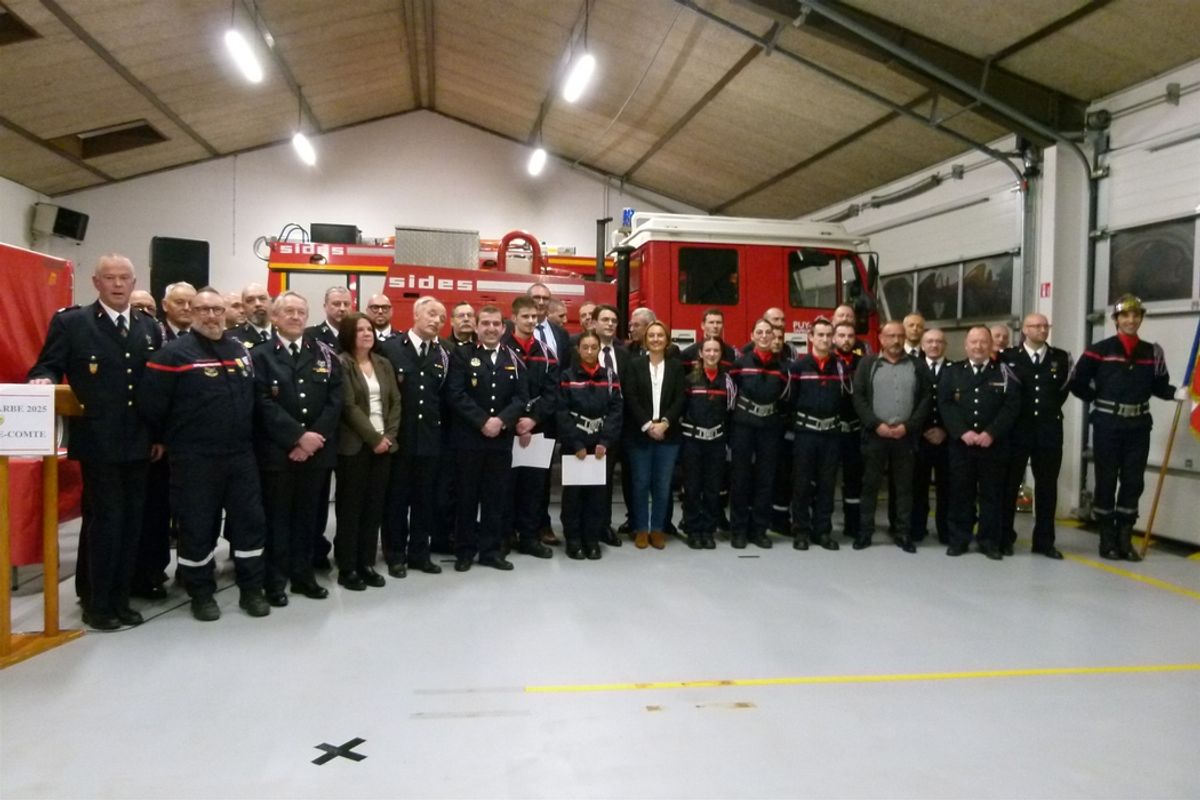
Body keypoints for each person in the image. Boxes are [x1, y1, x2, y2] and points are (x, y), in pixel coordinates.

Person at [28, 254, 163, 630]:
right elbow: (46, 364)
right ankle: (98, 603)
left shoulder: (149, 327)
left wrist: (159, 435)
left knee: (132, 522)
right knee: (107, 522)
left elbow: (155, 389)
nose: (118, 285)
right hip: (98, 441)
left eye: (124, 278)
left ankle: (121, 599)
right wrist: (42, 380)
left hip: (140, 441)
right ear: (96, 283)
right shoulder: (73, 323)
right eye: (110, 278)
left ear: (134, 282)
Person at [137, 287, 270, 621]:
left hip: (240, 455)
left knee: (250, 524)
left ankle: (252, 589)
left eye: (216, 309)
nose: (211, 316)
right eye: (202, 310)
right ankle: (200, 593)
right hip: (194, 458)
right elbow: (152, 406)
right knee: (196, 527)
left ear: (225, 311)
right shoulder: (173, 355)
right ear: (191, 313)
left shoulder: (239, 350)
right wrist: (169, 438)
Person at [1070, 295, 1184, 560]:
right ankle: (1107, 539)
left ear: (1141, 318)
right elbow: (1076, 383)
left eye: (1136, 315)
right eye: (1125, 316)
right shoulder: (1098, 350)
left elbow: (1158, 385)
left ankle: (1125, 539)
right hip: (1107, 425)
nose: (1131, 320)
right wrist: (1097, 399)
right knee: (1107, 480)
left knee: (1133, 481)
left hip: (1139, 426)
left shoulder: (1152, 352)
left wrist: (1175, 392)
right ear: (1116, 320)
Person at [251, 292, 342, 606]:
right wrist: (296, 437)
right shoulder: (260, 355)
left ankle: (304, 576)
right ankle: (274, 581)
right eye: (288, 311)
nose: (295, 316)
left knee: (308, 519)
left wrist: (313, 438)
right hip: (278, 454)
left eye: (300, 311)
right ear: (275, 317)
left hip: (316, 454)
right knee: (277, 520)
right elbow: (261, 402)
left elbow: (335, 399)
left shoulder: (325, 354)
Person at [447, 304, 529, 571]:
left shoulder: (514, 359)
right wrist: (483, 421)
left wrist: (502, 421)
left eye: (496, 324)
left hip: (500, 442)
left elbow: (521, 398)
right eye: (486, 324)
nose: (491, 328)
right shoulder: (461, 355)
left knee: (495, 498)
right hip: (469, 440)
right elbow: (456, 394)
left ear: (503, 328)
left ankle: (491, 551)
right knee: (466, 497)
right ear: (477, 327)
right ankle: (464, 551)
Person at [379, 296, 449, 577]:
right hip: (400, 439)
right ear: (416, 315)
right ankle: (395, 554)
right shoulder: (390, 348)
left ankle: (420, 553)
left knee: (425, 500)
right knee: (396, 500)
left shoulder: (445, 353)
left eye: (442, 318)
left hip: (430, 440)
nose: (436, 321)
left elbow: (445, 399)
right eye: (432, 314)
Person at [938, 326, 1021, 560]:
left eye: (983, 342)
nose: (978, 346)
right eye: (973, 342)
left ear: (991, 345)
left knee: (992, 495)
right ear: (966, 345)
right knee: (960, 494)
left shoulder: (1004, 373)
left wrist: (991, 433)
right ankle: (959, 539)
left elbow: (1011, 405)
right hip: (962, 446)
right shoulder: (953, 372)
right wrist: (962, 432)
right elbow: (945, 403)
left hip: (993, 446)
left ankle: (989, 541)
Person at [853, 320, 932, 553]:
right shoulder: (868, 365)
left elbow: (925, 399)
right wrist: (875, 424)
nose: (896, 341)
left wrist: (909, 427)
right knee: (870, 486)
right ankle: (865, 532)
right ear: (881, 339)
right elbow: (859, 397)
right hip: (876, 436)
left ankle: (902, 533)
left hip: (905, 437)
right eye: (891, 336)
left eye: (900, 336)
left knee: (905, 488)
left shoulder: (917, 365)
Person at [335, 313, 401, 590]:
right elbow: (348, 407)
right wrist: (374, 438)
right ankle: (348, 567)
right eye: (360, 329)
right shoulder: (341, 364)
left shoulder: (383, 363)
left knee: (374, 508)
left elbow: (396, 401)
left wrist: (388, 437)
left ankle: (366, 563)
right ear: (349, 334)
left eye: (369, 329)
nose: (366, 333)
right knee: (351, 509)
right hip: (355, 446)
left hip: (384, 446)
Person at [999, 314, 1070, 559]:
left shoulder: (1060, 358)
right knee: (1009, 485)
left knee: (1047, 487)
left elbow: (1062, 391)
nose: (1042, 330)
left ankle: (1044, 541)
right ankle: (1005, 537)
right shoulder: (1008, 357)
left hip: (1049, 430)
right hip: (1018, 429)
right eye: (1036, 326)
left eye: (1045, 326)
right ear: (1025, 330)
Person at [556, 331, 623, 559]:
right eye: (585, 347)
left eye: (594, 347)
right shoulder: (567, 376)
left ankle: (591, 538)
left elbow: (616, 410)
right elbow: (561, 412)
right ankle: (573, 539)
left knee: (597, 495)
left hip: (600, 445)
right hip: (576, 444)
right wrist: (575, 443)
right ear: (578, 349)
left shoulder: (611, 377)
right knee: (573, 494)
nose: (590, 351)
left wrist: (605, 441)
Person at [504, 296, 558, 558]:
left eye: (534, 317)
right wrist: (512, 420)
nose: (530, 321)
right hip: (505, 430)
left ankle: (529, 537)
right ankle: (504, 537)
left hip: (537, 430)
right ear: (513, 318)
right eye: (525, 316)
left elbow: (553, 393)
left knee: (534, 487)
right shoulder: (500, 349)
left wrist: (533, 419)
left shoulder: (547, 354)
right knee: (504, 486)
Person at [622, 320, 685, 549]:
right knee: (640, 483)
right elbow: (631, 397)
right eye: (652, 335)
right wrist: (648, 425)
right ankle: (641, 528)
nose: (656, 339)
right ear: (645, 340)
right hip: (640, 435)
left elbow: (680, 398)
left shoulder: (677, 367)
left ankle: (657, 528)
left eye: (660, 335)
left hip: (669, 435)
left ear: (667, 340)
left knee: (662, 484)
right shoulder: (634, 365)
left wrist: (665, 423)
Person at [728, 317, 789, 549]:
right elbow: (731, 395)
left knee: (766, 479)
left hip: (769, 427)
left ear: (774, 338)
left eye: (768, 333)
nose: (764, 336)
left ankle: (759, 530)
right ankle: (739, 530)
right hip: (743, 425)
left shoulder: (782, 369)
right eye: (760, 332)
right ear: (752, 335)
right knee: (741, 478)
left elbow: (785, 398)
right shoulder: (740, 365)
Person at [788, 318, 846, 550]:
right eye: (819, 335)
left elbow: (845, 399)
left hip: (831, 434)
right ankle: (801, 530)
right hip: (806, 435)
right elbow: (789, 401)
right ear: (810, 337)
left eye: (827, 335)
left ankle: (822, 531)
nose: (824, 339)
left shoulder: (840, 368)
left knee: (827, 484)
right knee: (801, 484)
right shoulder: (798, 368)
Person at [680, 338, 734, 550]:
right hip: (692, 442)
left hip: (716, 443)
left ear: (721, 354)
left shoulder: (727, 381)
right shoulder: (689, 380)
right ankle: (693, 529)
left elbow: (730, 413)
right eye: (708, 350)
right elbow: (681, 410)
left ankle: (708, 530)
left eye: (716, 351)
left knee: (713, 488)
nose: (712, 354)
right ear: (700, 353)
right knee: (692, 487)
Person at [911, 328, 952, 545]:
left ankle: (945, 531)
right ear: (923, 345)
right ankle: (917, 528)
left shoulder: (955, 370)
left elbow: (959, 406)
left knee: (947, 488)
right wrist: (921, 429)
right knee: (918, 486)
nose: (934, 345)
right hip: (920, 437)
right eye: (930, 341)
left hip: (946, 439)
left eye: (939, 341)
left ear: (945, 345)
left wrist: (945, 430)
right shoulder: (913, 368)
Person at [595, 304, 631, 543]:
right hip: (586, 427)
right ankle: (585, 527)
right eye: (605, 319)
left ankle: (604, 526)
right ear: (594, 323)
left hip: (616, 426)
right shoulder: (580, 349)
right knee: (587, 480)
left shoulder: (623, 354)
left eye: (613, 320)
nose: (609, 324)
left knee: (608, 480)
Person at [832, 321, 865, 543]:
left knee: (854, 480)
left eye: (850, 336)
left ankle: (853, 525)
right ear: (834, 338)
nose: (846, 339)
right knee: (824, 479)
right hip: (831, 431)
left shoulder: (864, 364)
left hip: (855, 431)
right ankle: (821, 524)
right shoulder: (827, 363)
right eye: (841, 335)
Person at [529, 282, 570, 366]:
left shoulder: (561, 333)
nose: (541, 302)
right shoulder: (516, 330)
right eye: (536, 298)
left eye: (545, 298)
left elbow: (565, 366)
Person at [305, 286, 352, 351]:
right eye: (337, 304)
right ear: (325, 307)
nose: (342, 308)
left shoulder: (356, 335)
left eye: (346, 304)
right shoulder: (310, 335)